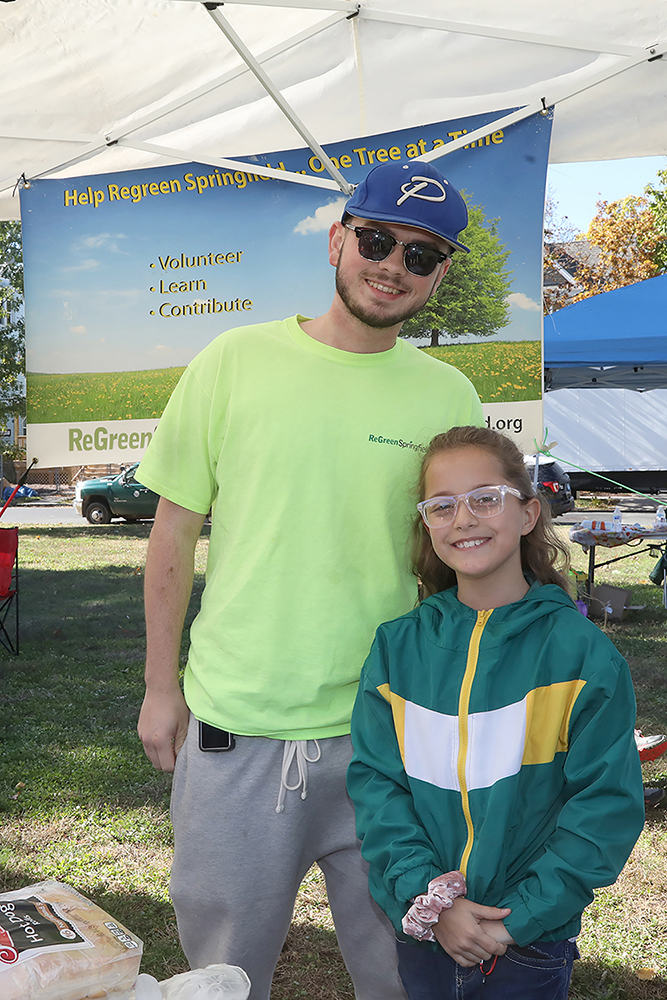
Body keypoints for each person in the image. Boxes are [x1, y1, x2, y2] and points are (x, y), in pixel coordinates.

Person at [136, 160, 485, 1000]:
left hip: (392, 736)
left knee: (405, 973)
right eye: (375, 239)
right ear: (337, 240)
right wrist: (159, 687)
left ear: (437, 277)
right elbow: (173, 533)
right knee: (222, 975)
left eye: (421, 254)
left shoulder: (449, 393)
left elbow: (459, 567)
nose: (392, 264)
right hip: (236, 731)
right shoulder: (233, 360)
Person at [347, 425, 645, 1000]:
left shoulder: (581, 654)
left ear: (529, 513)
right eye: (442, 506)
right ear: (427, 524)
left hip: (529, 944)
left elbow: (604, 807)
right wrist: (432, 901)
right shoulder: (396, 648)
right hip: (426, 936)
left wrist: (514, 921)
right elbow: (377, 787)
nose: (464, 519)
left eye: (486, 498)